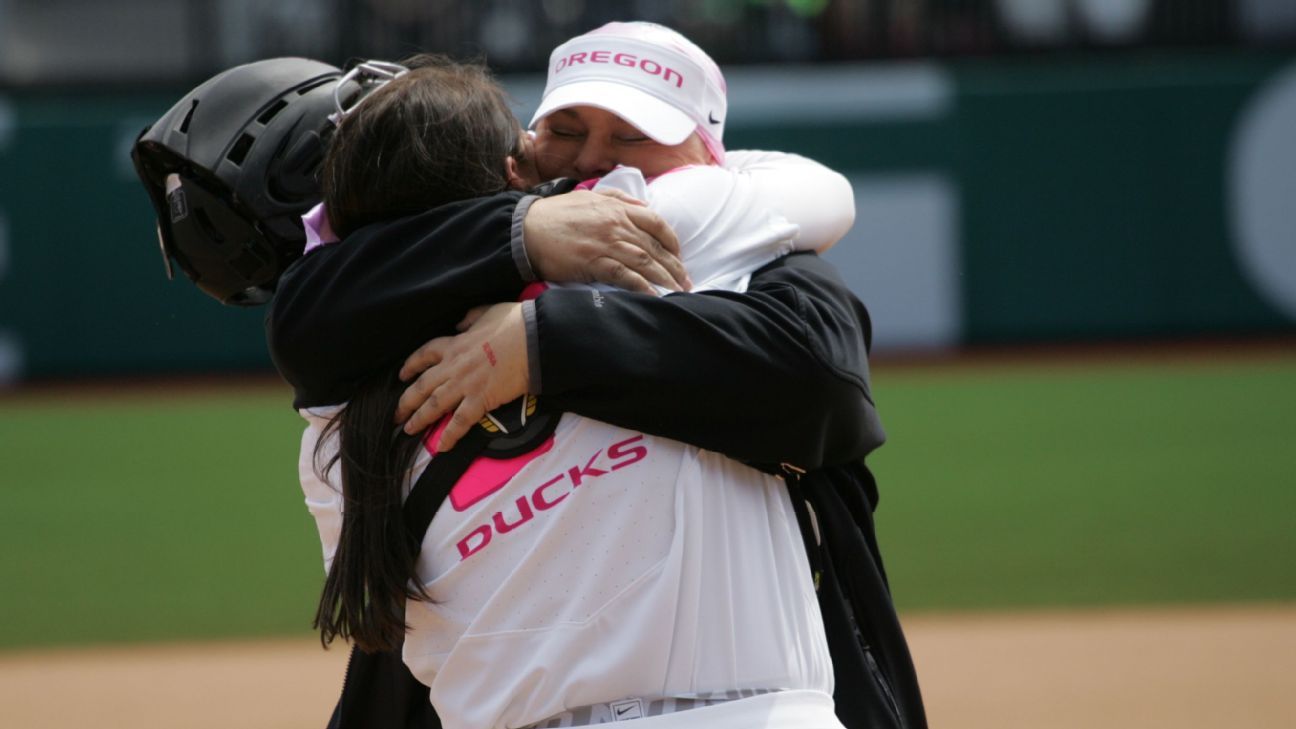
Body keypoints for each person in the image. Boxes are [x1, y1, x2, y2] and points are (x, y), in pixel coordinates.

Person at [132, 34, 924, 729]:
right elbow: (819, 192)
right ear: (515, 162)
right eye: (569, 131)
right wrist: (534, 260)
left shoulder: (332, 437)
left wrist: (535, 307)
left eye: (631, 138)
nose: (593, 164)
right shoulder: (677, 247)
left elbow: (312, 309)